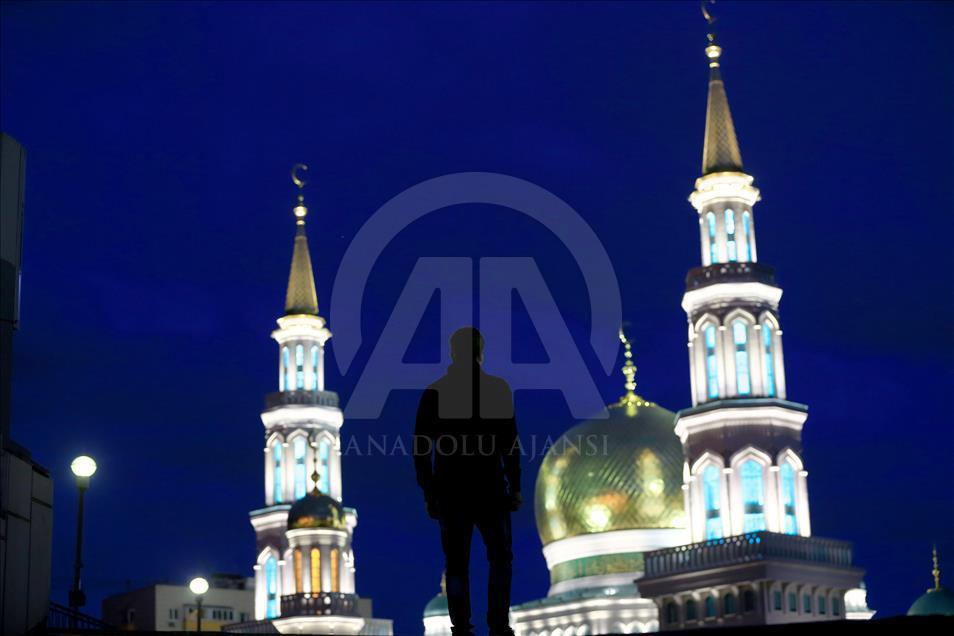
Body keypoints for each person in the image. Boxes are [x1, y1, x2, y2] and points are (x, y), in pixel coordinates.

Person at [414, 327, 522, 636]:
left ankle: (461, 627)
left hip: (451, 491)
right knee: (500, 558)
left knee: (457, 562)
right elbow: (510, 445)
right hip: (490, 489)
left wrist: (429, 491)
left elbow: (421, 448)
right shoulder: (497, 389)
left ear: (453, 353)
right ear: (480, 353)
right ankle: (498, 625)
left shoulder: (436, 392)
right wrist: (514, 487)